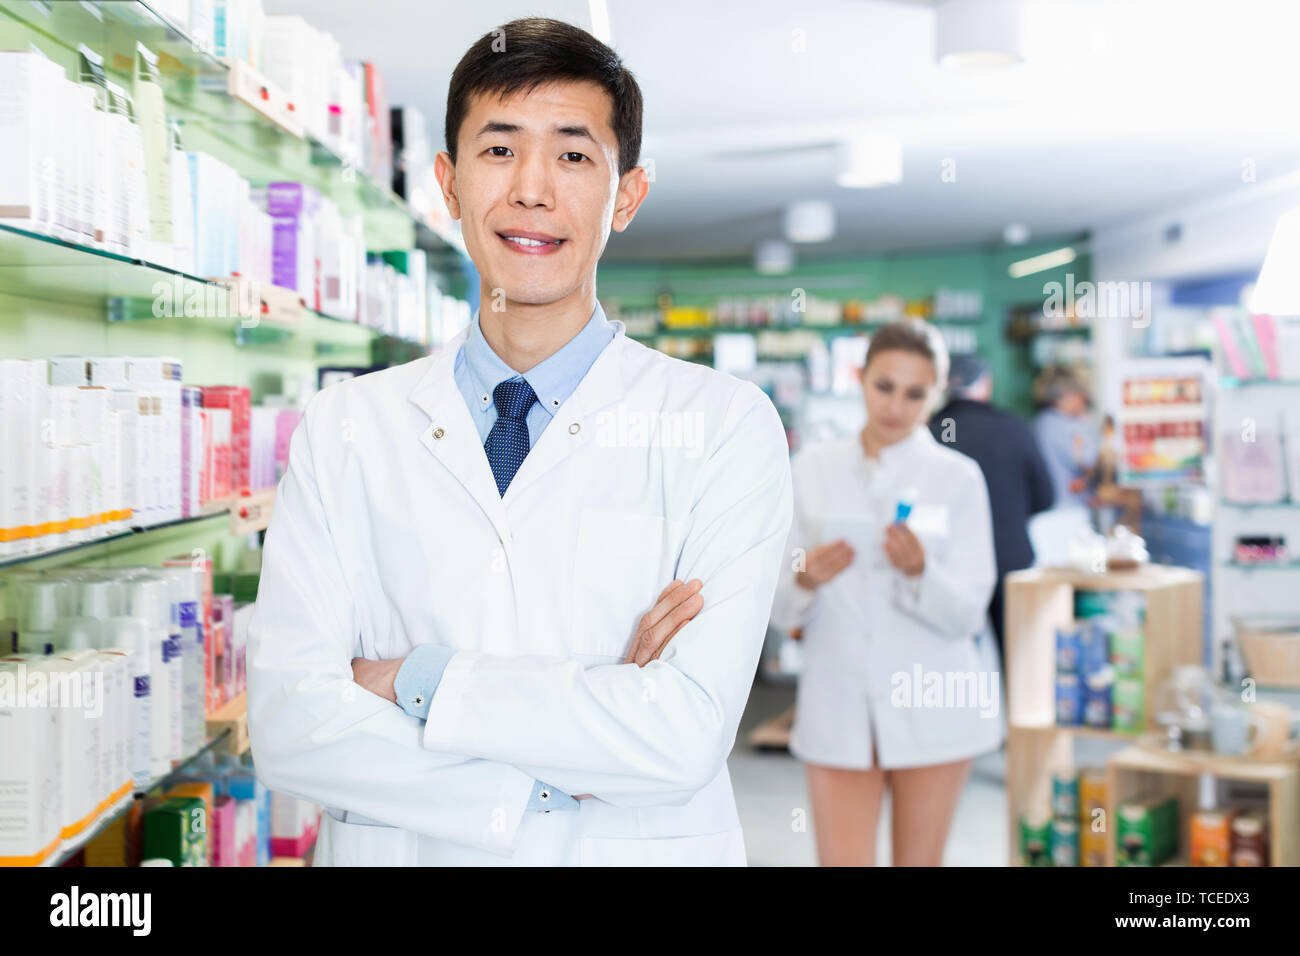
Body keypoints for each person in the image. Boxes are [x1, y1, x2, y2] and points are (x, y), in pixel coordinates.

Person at [247, 18, 793, 867]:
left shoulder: (723, 424)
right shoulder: (345, 426)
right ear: (448, 184)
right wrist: (576, 744)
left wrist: (415, 680)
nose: (533, 189)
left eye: (574, 155)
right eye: (499, 150)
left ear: (627, 195)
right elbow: (291, 726)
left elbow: (684, 735)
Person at [771, 321, 1000, 867]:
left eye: (915, 393)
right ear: (860, 379)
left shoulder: (959, 478)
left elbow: (969, 612)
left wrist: (922, 572)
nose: (896, 405)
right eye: (884, 386)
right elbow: (776, 608)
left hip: (934, 700)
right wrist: (805, 577)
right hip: (838, 702)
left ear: (937, 395)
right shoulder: (812, 470)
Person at [928, 355, 1054, 654]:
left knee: (955, 654)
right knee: (1018, 656)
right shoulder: (1013, 427)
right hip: (1009, 560)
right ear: (986, 385)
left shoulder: (932, 431)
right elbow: (1045, 497)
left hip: (946, 566)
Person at [1032, 365, 1097, 510]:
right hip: (1068, 510)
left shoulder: (1041, 422)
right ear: (1068, 395)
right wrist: (1085, 425)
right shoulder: (1068, 426)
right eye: (1081, 396)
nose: (1083, 402)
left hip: (1046, 507)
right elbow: (1090, 459)